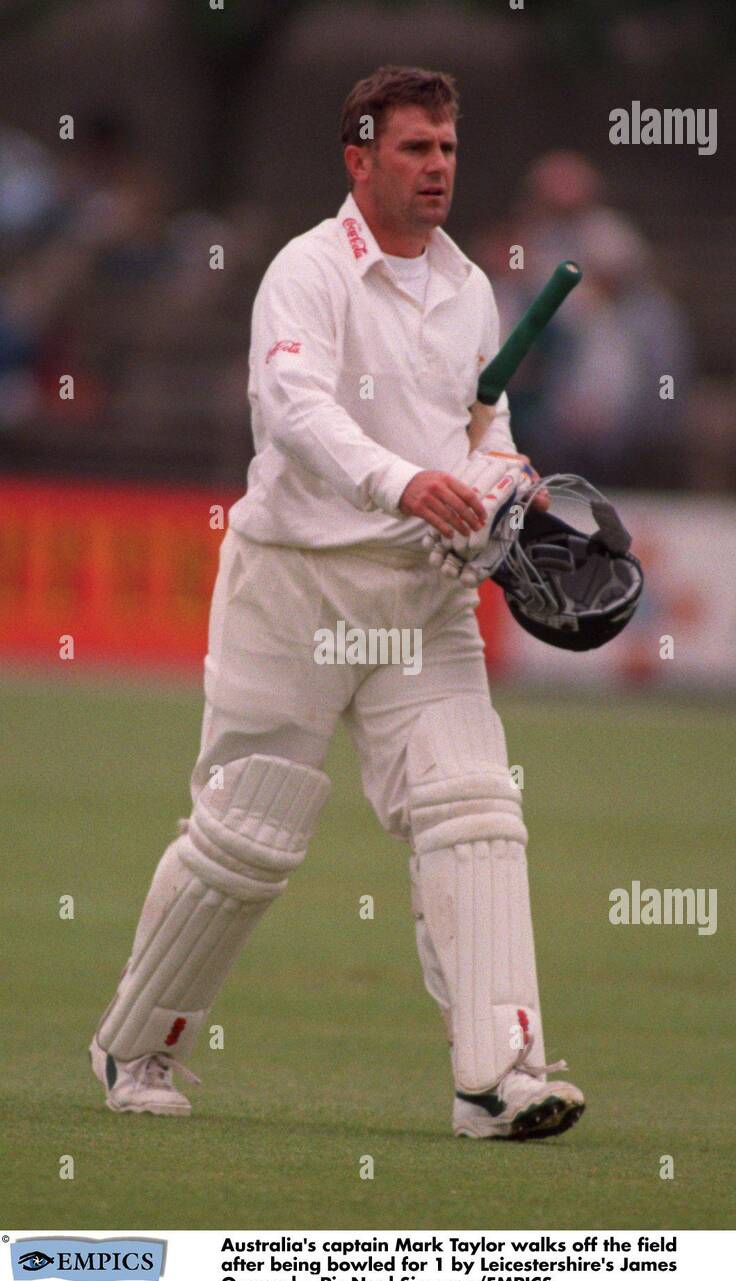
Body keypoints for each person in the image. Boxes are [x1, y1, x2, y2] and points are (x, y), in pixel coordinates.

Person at [91, 65, 584, 1141]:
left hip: (422, 594)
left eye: (447, 148)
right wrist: (400, 480)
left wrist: (501, 477)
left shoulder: (466, 286)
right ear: (358, 158)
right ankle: (137, 1047)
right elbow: (293, 406)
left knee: (474, 810)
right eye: (414, 149)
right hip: (296, 585)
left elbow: (480, 423)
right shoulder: (304, 272)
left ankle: (497, 1078)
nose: (437, 167)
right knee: (246, 834)